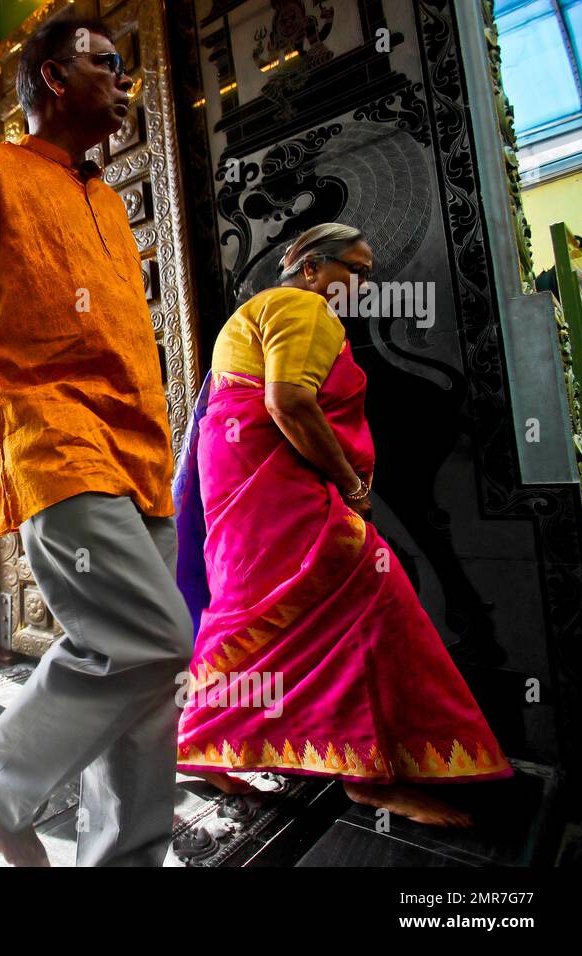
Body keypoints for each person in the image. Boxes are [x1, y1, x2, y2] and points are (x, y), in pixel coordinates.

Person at [0, 16, 191, 866]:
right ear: (54, 77)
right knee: (154, 638)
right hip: (53, 436)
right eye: (105, 62)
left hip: (142, 451)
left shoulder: (105, 195)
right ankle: (1, 776)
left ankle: (125, 856)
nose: (123, 76)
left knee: (145, 689)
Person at [173, 222, 512, 824]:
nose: (360, 283)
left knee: (267, 612)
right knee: (370, 596)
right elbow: (288, 402)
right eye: (351, 269)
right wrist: (354, 485)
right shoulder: (303, 309)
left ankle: (207, 745)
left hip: (242, 486)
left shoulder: (262, 311)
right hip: (277, 488)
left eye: (366, 273)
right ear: (309, 267)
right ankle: (366, 775)